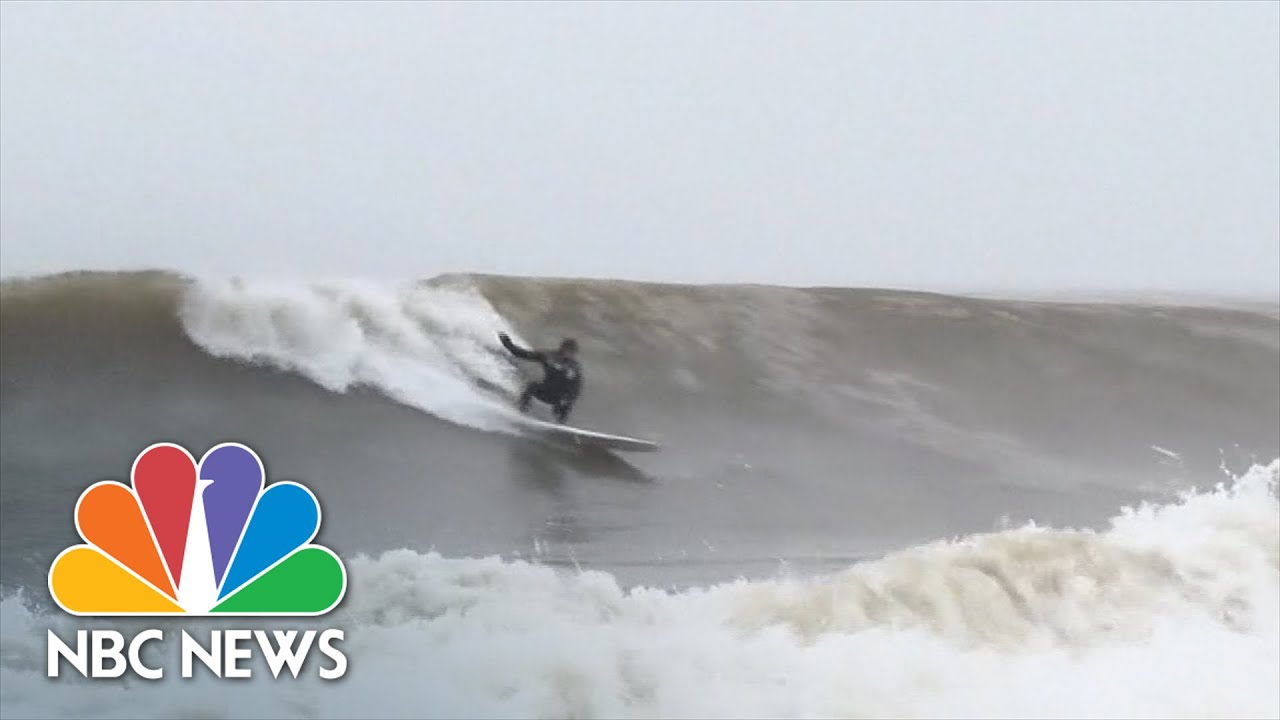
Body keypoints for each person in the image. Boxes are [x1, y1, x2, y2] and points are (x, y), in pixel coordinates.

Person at [498, 332, 583, 424]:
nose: (569, 354)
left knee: (566, 403)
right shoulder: (548, 356)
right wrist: (508, 344)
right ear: (562, 348)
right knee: (531, 386)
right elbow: (523, 354)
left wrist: (568, 399)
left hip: (561, 398)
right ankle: (521, 411)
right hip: (546, 392)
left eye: (572, 352)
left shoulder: (574, 367)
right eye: (568, 350)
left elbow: (576, 388)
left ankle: (560, 423)